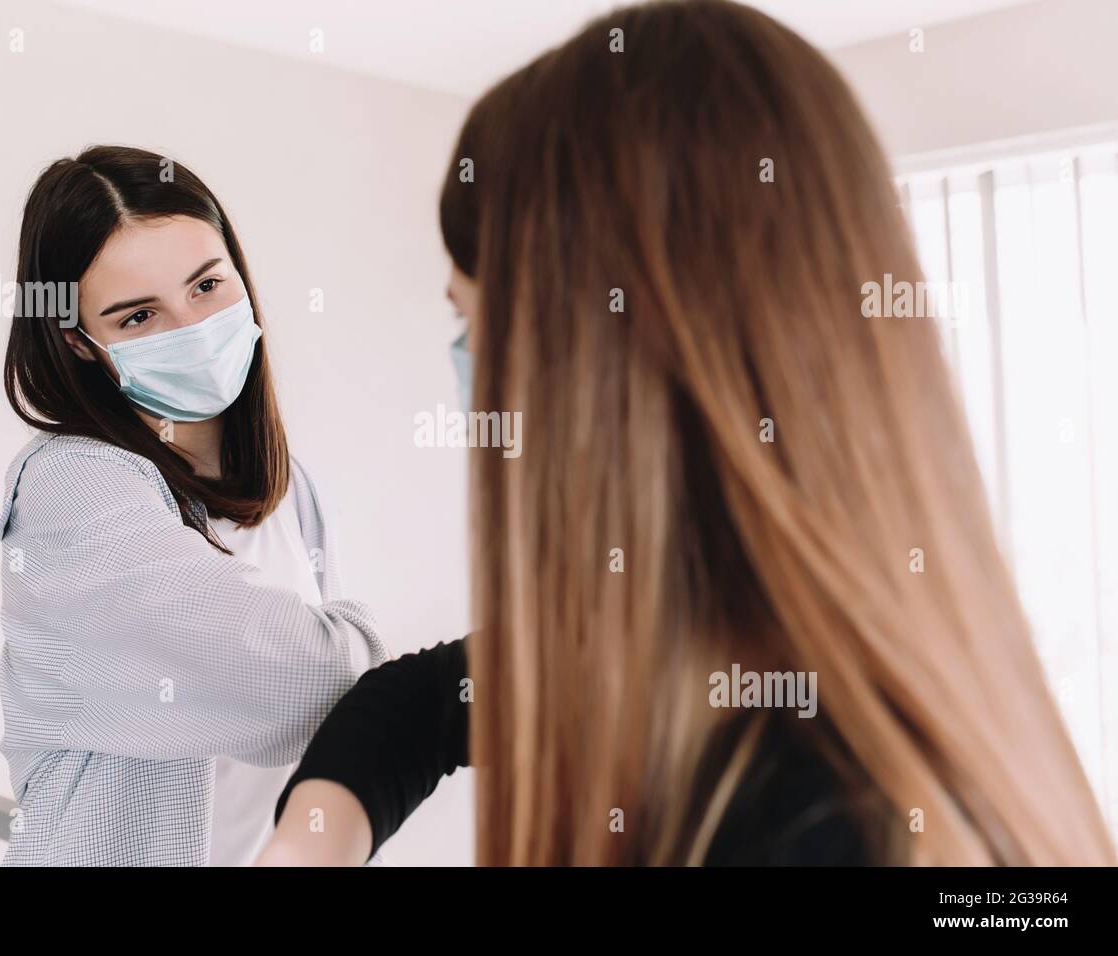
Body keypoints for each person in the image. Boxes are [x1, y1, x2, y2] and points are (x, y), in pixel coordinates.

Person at [258, 0, 1115, 866]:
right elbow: (425, 703)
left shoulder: (817, 828)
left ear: (601, 362)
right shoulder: (683, 653)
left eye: (477, 331)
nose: (466, 373)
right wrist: (305, 845)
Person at [0, 145, 385, 865]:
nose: (192, 328)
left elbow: (328, 731)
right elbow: (310, 685)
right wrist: (379, 659)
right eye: (138, 317)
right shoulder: (70, 490)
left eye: (207, 286)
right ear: (80, 343)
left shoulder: (291, 488)